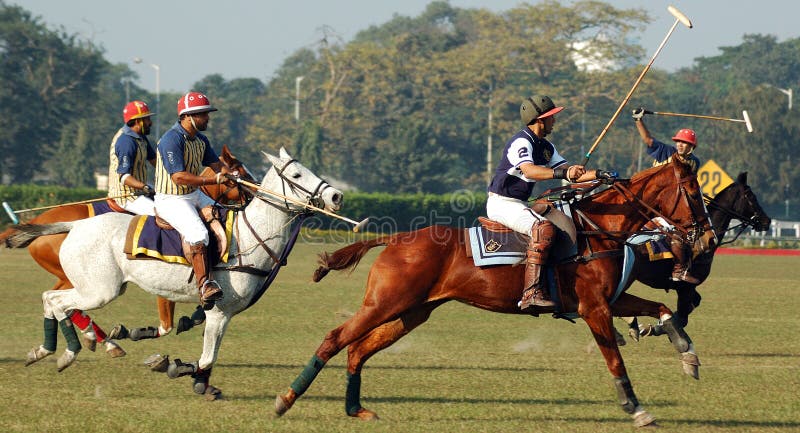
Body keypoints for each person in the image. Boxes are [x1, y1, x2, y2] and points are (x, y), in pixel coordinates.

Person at [487, 95, 610, 310]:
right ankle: (530, 293)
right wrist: (563, 172)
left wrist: (600, 175)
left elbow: (572, 175)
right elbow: (530, 170)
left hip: (520, 204)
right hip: (502, 203)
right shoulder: (521, 141)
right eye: (552, 117)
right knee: (542, 228)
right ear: (540, 119)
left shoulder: (547, 147)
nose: (555, 120)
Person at [153, 92, 235, 310]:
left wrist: (231, 175)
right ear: (188, 116)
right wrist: (210, 179)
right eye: (203, 114)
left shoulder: (201, 140)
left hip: (192, 194)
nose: (207, 118)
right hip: (171, 198)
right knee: (198, 234)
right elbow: (178, 176)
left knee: (225, 214)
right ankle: (204, 285)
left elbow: (216, 165)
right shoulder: (171, 139)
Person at [632, 107, 702, 284]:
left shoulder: (693, 162)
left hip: (669, 207)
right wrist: (638, 120)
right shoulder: (665, 151)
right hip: (646, 200)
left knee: (678, 235)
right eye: (678, 141)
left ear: (692, 147)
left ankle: (679, 270)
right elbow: (648, 141)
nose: (680, 144)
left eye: (684, 143)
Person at [108, 100, 157, 215]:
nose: (150, 123)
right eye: (147, 119)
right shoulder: (126, 141)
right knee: (162, 213)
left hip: (139, 189)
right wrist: (144, 187)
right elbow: (124, 177)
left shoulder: (140, 137)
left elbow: (155, 161)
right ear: (137, 121)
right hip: (126, 196)